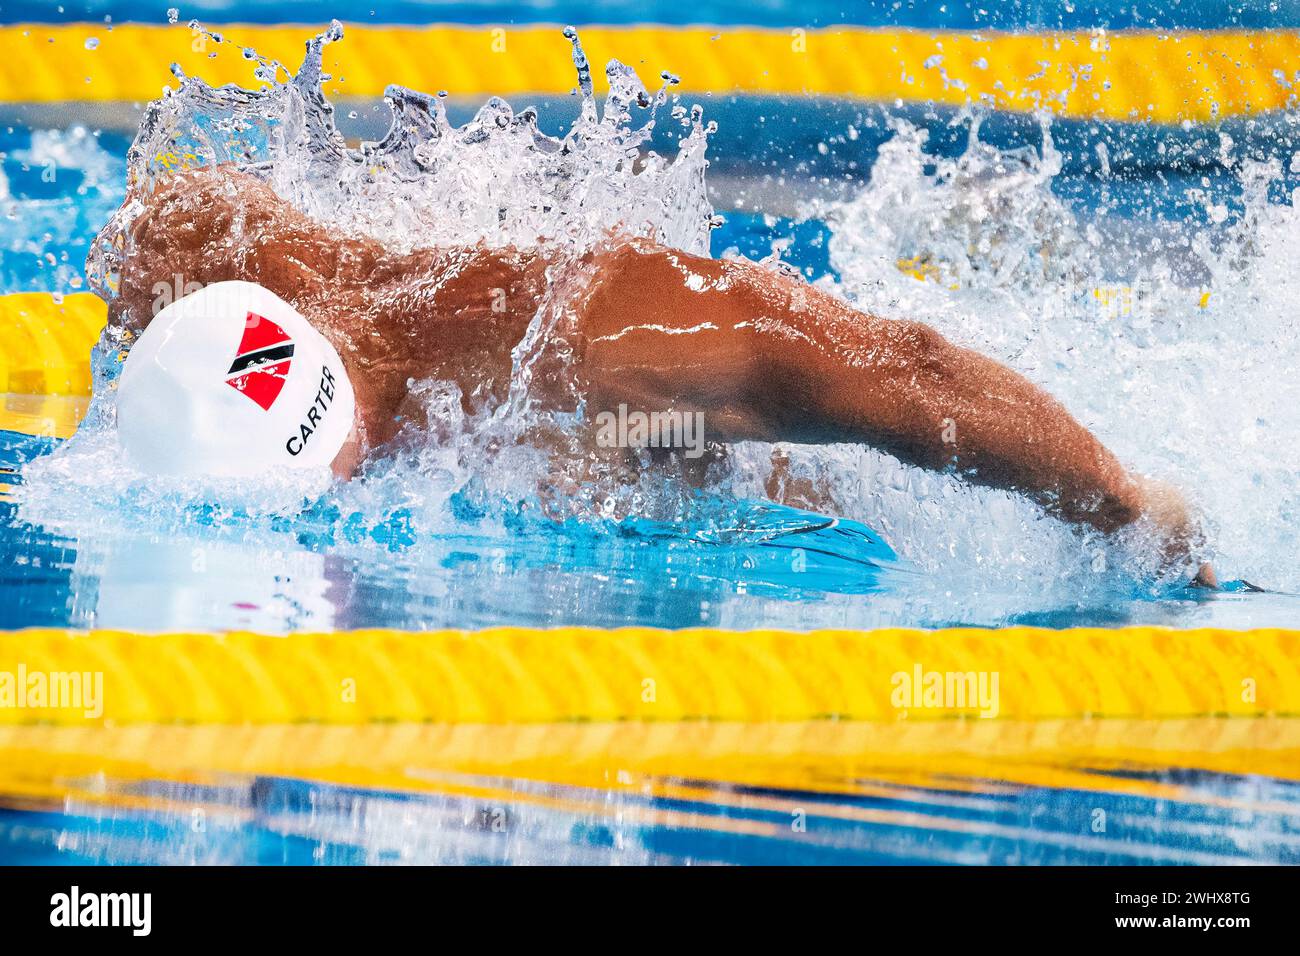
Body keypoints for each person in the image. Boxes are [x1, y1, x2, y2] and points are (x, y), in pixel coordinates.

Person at [109, 166, 1211, 580]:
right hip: (540, 437)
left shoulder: (596, 334)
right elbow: (156, 217)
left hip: (647, 433)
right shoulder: (200, 266)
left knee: (659, 456)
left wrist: (1126, 504)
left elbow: (904, 370)